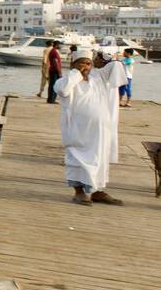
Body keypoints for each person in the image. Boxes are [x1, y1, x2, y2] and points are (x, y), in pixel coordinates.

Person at [55, 51, 128, 205]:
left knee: (100, 159)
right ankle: (79, 192)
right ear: (73, 64)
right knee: (77, 160)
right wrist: (76, 73)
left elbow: (115, 68)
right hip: (78, 132)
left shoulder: (97, 78)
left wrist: (107, 58)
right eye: (82, 62)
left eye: (88, 63)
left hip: (99, 131)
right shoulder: (64, 81)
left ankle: (97, 191)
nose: (85, 66)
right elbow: (63, 90)